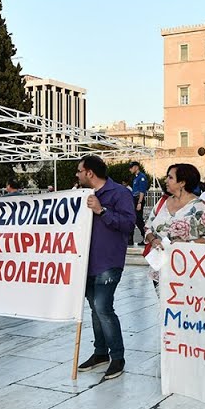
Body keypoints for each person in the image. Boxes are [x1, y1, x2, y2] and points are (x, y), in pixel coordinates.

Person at [74, 154, 136, 381]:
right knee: (94, 308)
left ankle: (117, 356)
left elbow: (128, 224)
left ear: (90, 172)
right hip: (85, 262)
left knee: (103, 307)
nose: (77, 175)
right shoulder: (82, 195)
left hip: (108, 261)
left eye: (80, 171)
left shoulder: (120, 193)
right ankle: (100, 353)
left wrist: (102, 211)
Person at [145, 164, 205, 280]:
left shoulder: (200, 207)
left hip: (187, 271)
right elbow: (148, 227)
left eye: (170, 177)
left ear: (182, 183)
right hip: (161, 269)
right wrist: (153, 240)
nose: (166, 181)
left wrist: (186, 244)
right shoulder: (162, 202)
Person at [129, 161, 149, 245]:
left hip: (138, 200)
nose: (130, 169)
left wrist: (139, 203)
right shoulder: (136, 178)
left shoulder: (142, 177)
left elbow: (142, 191)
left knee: (138, 220)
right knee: (133, 219)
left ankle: (146, 237)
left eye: (131, 167)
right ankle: (130, 239)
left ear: (136, 167)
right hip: (135, 199)